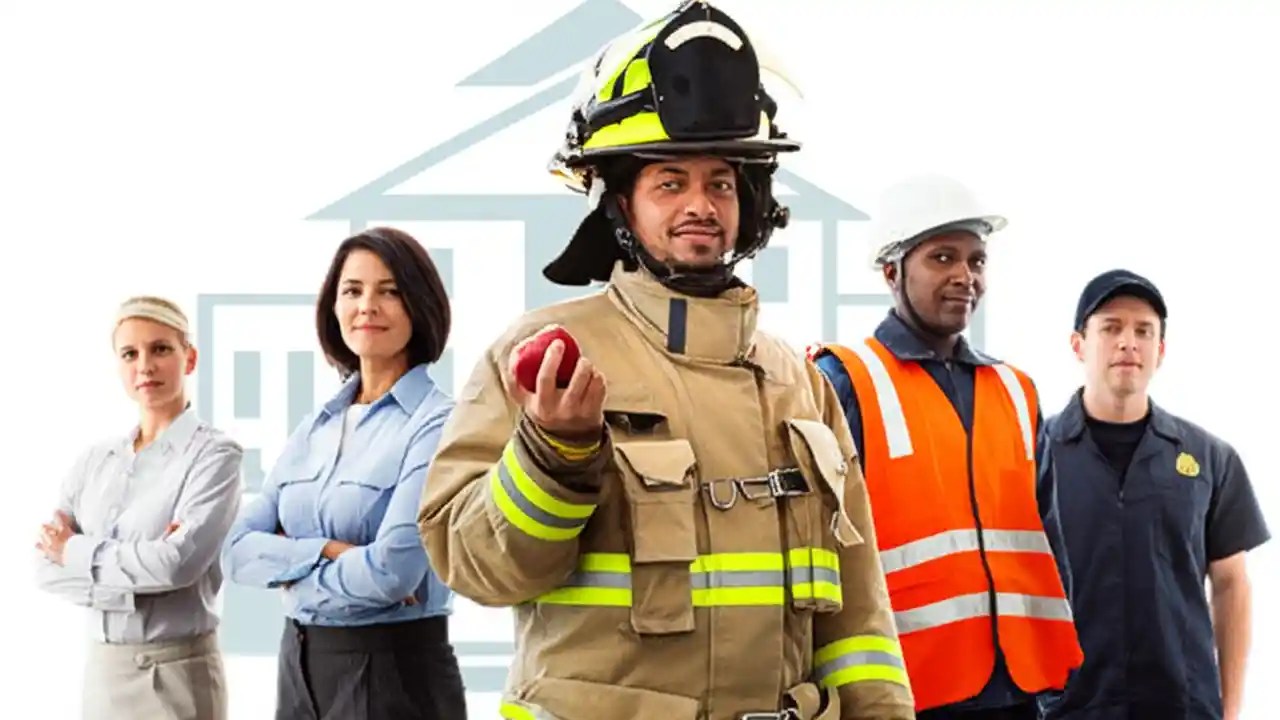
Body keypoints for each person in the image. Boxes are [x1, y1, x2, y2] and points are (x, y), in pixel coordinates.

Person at [417, 3, 915, 719]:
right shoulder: (545, 356)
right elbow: (473, 566)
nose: (700, 205)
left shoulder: (802, 383)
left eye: (720, 182)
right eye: (670, 182)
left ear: (752, 202)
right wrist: (552, 456)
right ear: (620, 203)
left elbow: (859, 612)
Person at [807, 175, 1083, 719]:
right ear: (892, 272)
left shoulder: (1016, 391)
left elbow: (1048, 542)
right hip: (905, 690)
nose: (965, 277)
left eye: (976, 261)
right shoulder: (846, 381)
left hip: (1018, 687)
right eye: (942, 258)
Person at [221, 227, 464, 720]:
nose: (367, 306)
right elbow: (235, 553)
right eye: (352, 290)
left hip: (393, 670)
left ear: (420, 305)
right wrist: (328, 552)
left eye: (389, 291)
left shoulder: (439, 423)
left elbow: (394, 573)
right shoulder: (317, 424)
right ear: (333, 307)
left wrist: (288, 570)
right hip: (299, 663)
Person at [1039, 269, 1270, 720]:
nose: (1129, 342)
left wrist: (1231, 709)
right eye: (1111, 328)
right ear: (1078, 345)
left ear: (1160, 351)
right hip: (1069, 707)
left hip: (1182, 706)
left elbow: (1231, 585)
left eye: (1144, 331)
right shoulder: (1033, 456)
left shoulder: (1210, 459)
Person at [34, 295, 243, 720]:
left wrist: (76, 553)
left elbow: (176, 566)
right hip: (102, 675)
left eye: (161, 348)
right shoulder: (95, 461)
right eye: (130, 353)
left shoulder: (215, 456)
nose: (144, 365)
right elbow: (44, 569)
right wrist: (141, 574)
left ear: (190, 357)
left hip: (174, 677)